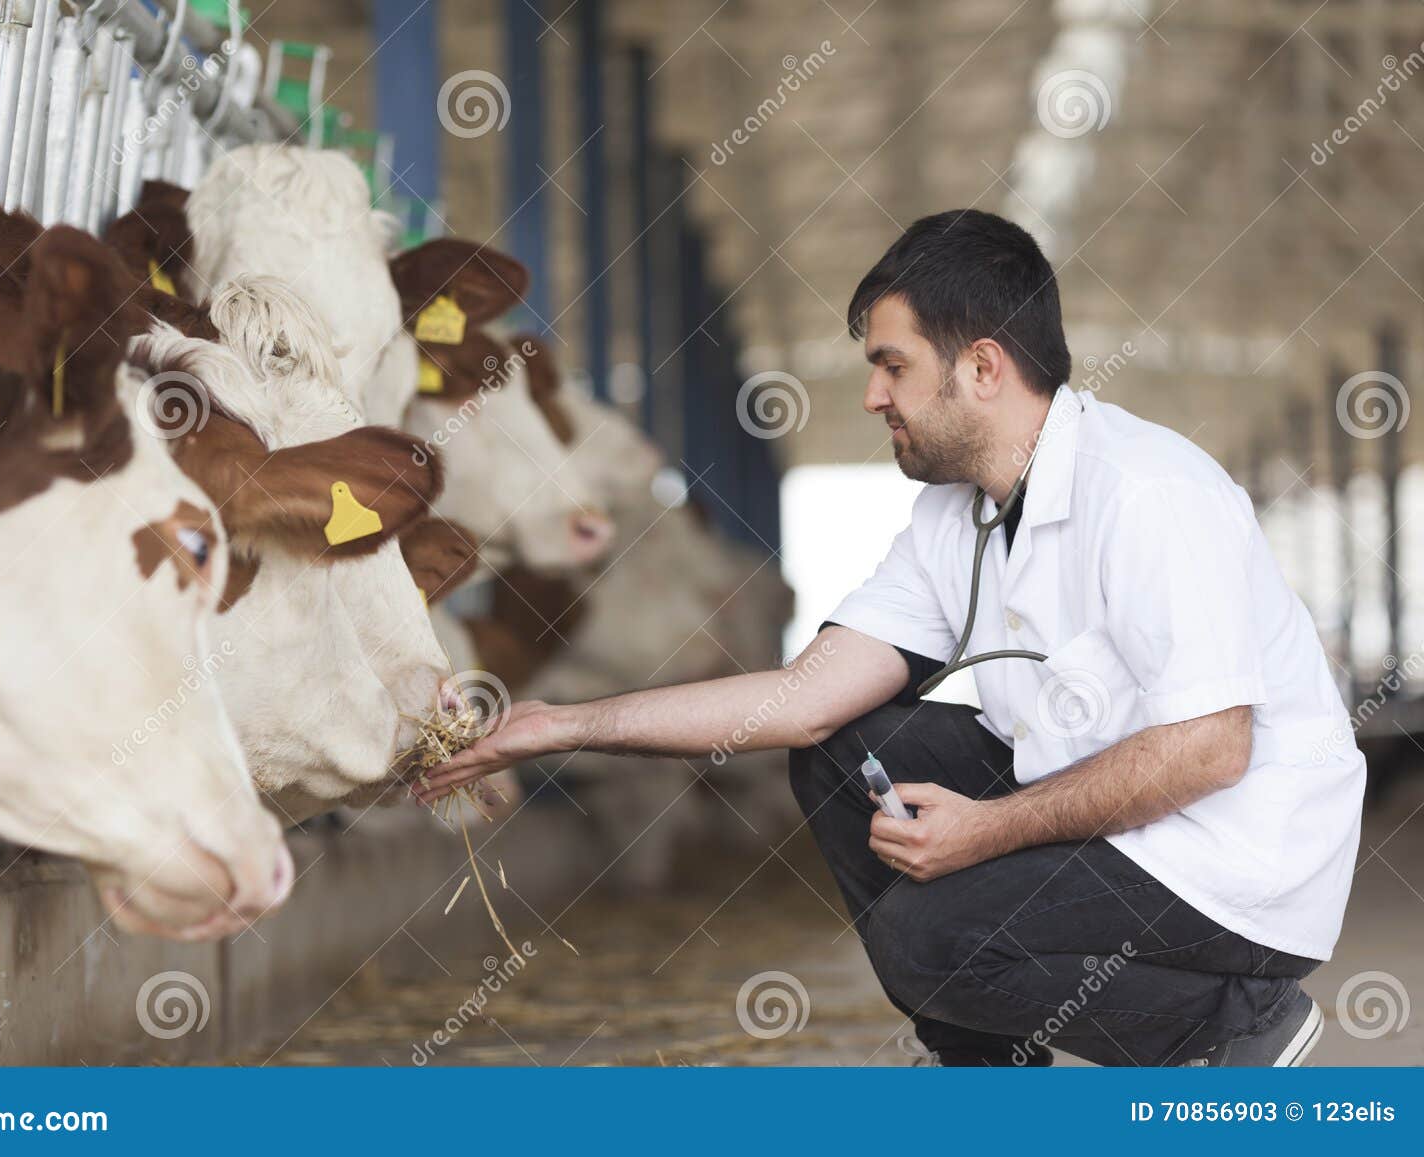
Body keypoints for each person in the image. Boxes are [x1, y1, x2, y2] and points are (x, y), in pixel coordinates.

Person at [417, 209, 1364, 1067]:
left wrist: (987, 829)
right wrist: (565, 722)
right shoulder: (957, 516)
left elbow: (1210, 749)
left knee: (926, 937)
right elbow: (802, 699)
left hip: (1232, 860)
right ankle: (984, 1069)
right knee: (844, 745)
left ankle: (1234, 1024)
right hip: (1114, 817)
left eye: (892, 365)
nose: (874, 395)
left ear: (983, 368)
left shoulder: (1149, 491)